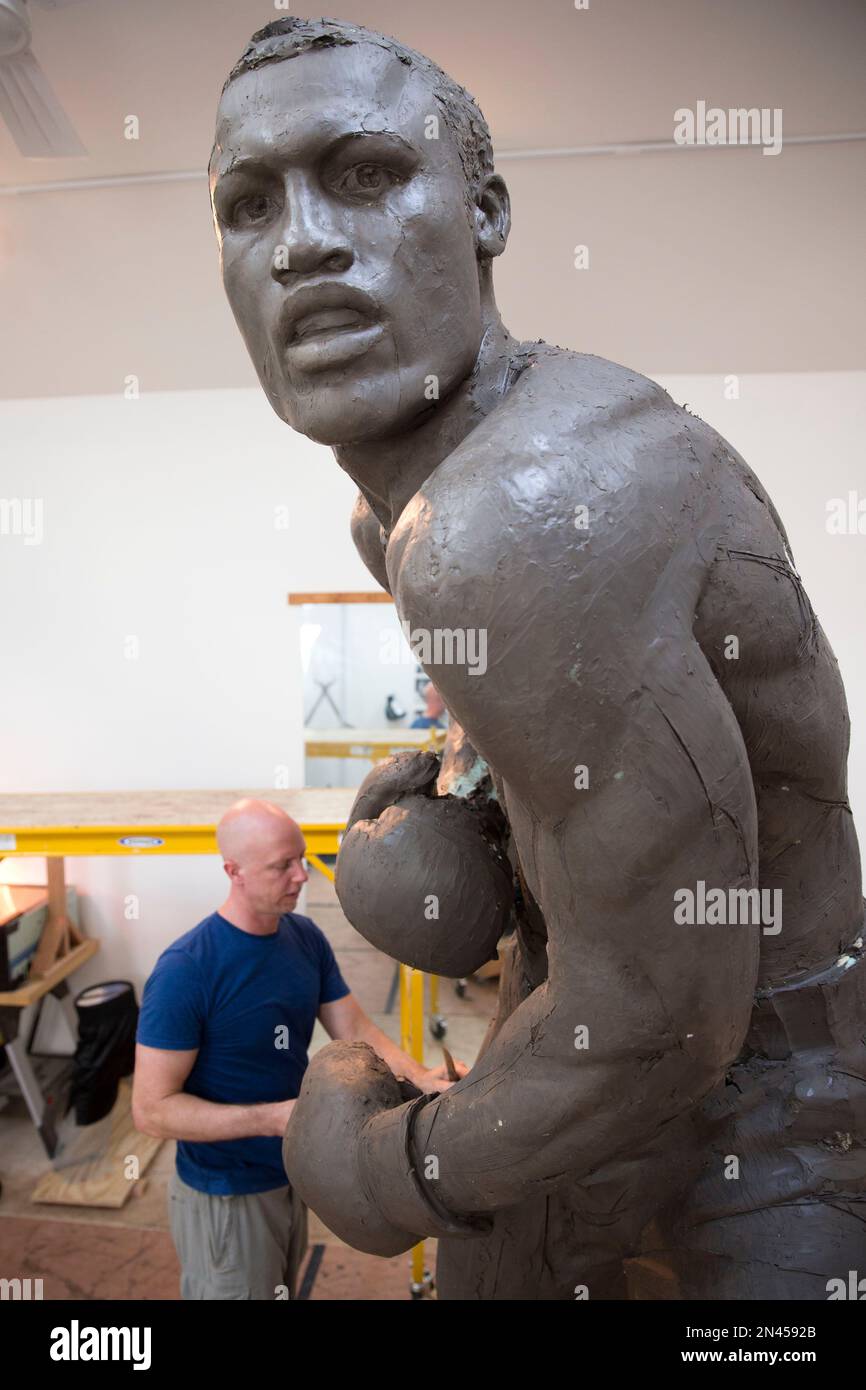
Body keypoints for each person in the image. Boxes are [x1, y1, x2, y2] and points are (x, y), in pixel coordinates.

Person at [209, 17, 866, 1299]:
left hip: (766, 1075)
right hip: (587, 1007)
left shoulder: (519, 514)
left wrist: (390, 1171)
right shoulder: (401, 514)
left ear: (486, 211)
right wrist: (445, 785)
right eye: (247, 203)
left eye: (360, 175)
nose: (299, 242)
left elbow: (663, 1026)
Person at [132, 797, 463, 1301]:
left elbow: (354, 1028)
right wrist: (276, 1119)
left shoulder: (304, 937)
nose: (302, 876)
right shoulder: (186, 970)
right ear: (233, 871)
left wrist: (422, 1078)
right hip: (227, 1195)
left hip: (292, 1172)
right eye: (282, 866)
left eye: (301, 858)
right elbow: (151, 1111)